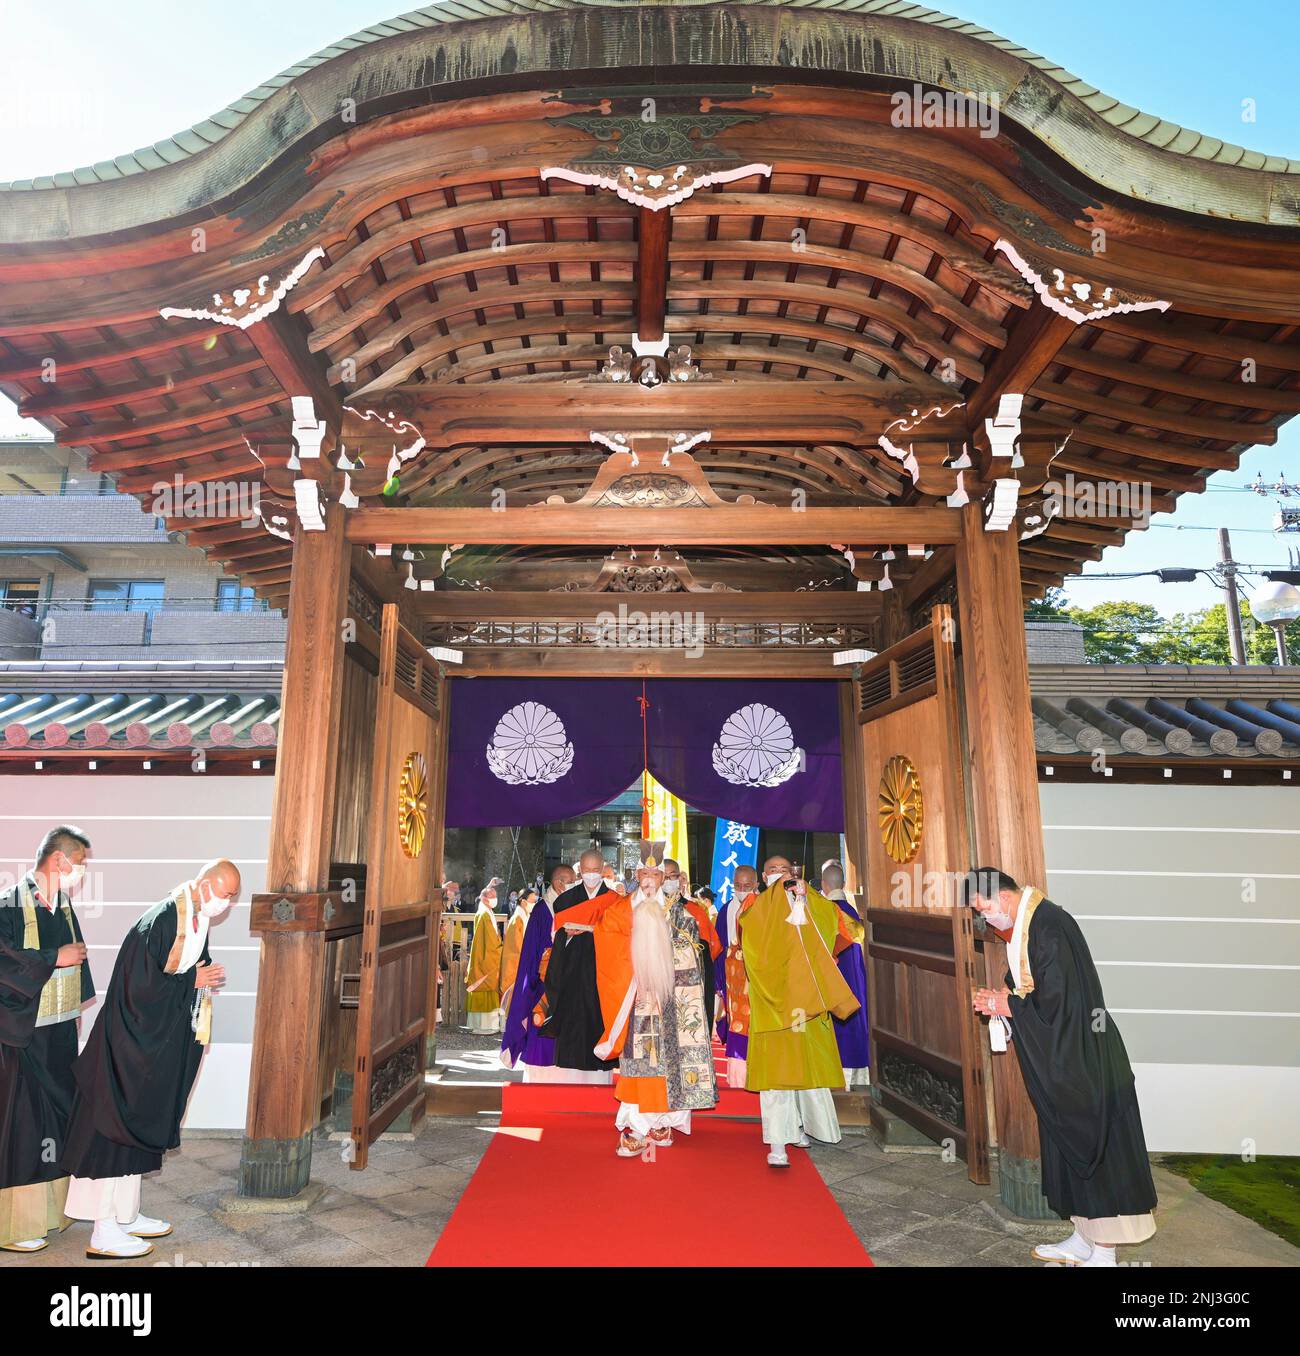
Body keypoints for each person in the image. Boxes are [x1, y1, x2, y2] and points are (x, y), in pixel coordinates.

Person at [966, 867, 1158, 1267]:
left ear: (1002, 897)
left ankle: (1105, 1252)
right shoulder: (1031, 924)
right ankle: (1083, 1237)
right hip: (1066, 1060)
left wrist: (1008, 1006)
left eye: (982, 908)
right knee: (1066, 1146)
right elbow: (1033, 986)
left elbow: (1061, 1006)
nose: (983, 919)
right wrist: (1005, 997)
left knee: (1095, 1146)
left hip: (1087, 1064)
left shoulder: (1049, 926)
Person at [60, 860, 237, 1259]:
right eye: (225, 895)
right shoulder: (159, 923)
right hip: (124, 1050)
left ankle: (126, 1214)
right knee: (113, 1130)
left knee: (140, 1125)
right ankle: (104, 1230)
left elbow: (189, 971)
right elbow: (137, 986)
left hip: (151, 1047)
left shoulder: (195, 918)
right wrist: (191, 982)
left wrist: (196, 984)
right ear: (205, 885)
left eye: (231, 898)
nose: (226, 904)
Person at [566, 856, 717, 1156]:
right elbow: (608, 942)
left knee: (670, 1061)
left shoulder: (681, 914)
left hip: (671, 1001)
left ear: (664, 878)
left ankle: (664, 1121)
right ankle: (636, 1126)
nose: (649, 880)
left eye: (655, 874)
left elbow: (693, 955)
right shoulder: (621, 909)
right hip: (635, 998)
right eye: (644, 873)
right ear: (637, 874)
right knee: (640, 1061)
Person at [0, 826, 94, 1255]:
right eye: (81, 863)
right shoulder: (8, 905)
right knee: (23, 1123)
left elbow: (77, 958)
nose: (83, 872)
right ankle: (16, 1224)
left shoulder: (64, 904)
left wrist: (75, 1008)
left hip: (56, 1033)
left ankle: (55, 1210)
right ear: (59, 860)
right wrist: (54, 957)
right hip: (20, 1037)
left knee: (57, 1120)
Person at [741, 855, 860, 1167]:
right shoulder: (755, 908)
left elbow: (839, 930)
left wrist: (806, 900)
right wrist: (782, 900)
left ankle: (801, 1127)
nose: (781, 877)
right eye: (773, 872)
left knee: (808, 1072)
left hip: (807, 1004)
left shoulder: (809, 900)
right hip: (774, 1006)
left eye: (785, 871)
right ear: (762, 877)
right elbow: (755, 949)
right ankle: (778, 1142)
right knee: (777, 1077)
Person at [501, 863, 610, 1083]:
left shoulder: (578, 904)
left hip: (573, 983)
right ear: (557, 882)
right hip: (545, 984)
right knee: (543, 1030)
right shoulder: (543, 910)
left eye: (574, 879)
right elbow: (531, 951)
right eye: (568, 880)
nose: (573, 883)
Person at [821, 859, 870, 1088]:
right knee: (854, 1022)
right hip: (855, 982)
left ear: (824, 885)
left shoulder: (824, 913)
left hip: (830, 982)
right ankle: (858, 1078)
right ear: (844, 883)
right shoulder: (854, 914)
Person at [714, 863, 759, 1087]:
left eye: (747, 885)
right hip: (733, 987)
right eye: (738, 885)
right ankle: (738, 1082)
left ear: (756, 884)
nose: (742, 889)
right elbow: (718, 950)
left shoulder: (764, 909)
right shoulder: (725, 911)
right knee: (736, 1031)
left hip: (757, 984)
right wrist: (719, 986)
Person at [664, 861, 721, 1029]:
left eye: (673, 875)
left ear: (680, 878)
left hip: (689, 982)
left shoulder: (695, 910)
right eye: (665, 876)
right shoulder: (651, 908)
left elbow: (712, 947)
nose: (668, 880)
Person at [465, 886, 503, 1033]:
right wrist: (500, 948)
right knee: (485, 985)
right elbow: (490, 940)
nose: (495, 899)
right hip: (486, 956)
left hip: (485, 955)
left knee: (486, 988)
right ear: (485, 899)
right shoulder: (484, 915)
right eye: (492, 896)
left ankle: (485, 1025)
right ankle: (484, 1026)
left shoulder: (486, 912)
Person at [499, 887, 536, 1015]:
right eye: (532, 901)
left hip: (520, 961)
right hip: (515, 963)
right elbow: (517, 945)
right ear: (524, 902)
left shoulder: (524, 917)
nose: (534, 904)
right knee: (513, 996)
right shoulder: (518, 919)